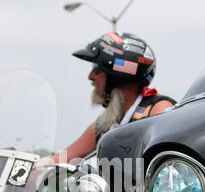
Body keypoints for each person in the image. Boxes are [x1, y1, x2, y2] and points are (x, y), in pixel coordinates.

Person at [47, 31, 175, 164]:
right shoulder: (104, 125)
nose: (91, 76)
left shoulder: (157, 109)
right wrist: (28, 168)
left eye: (96, 68)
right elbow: (61, 158)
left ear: (117, 74)